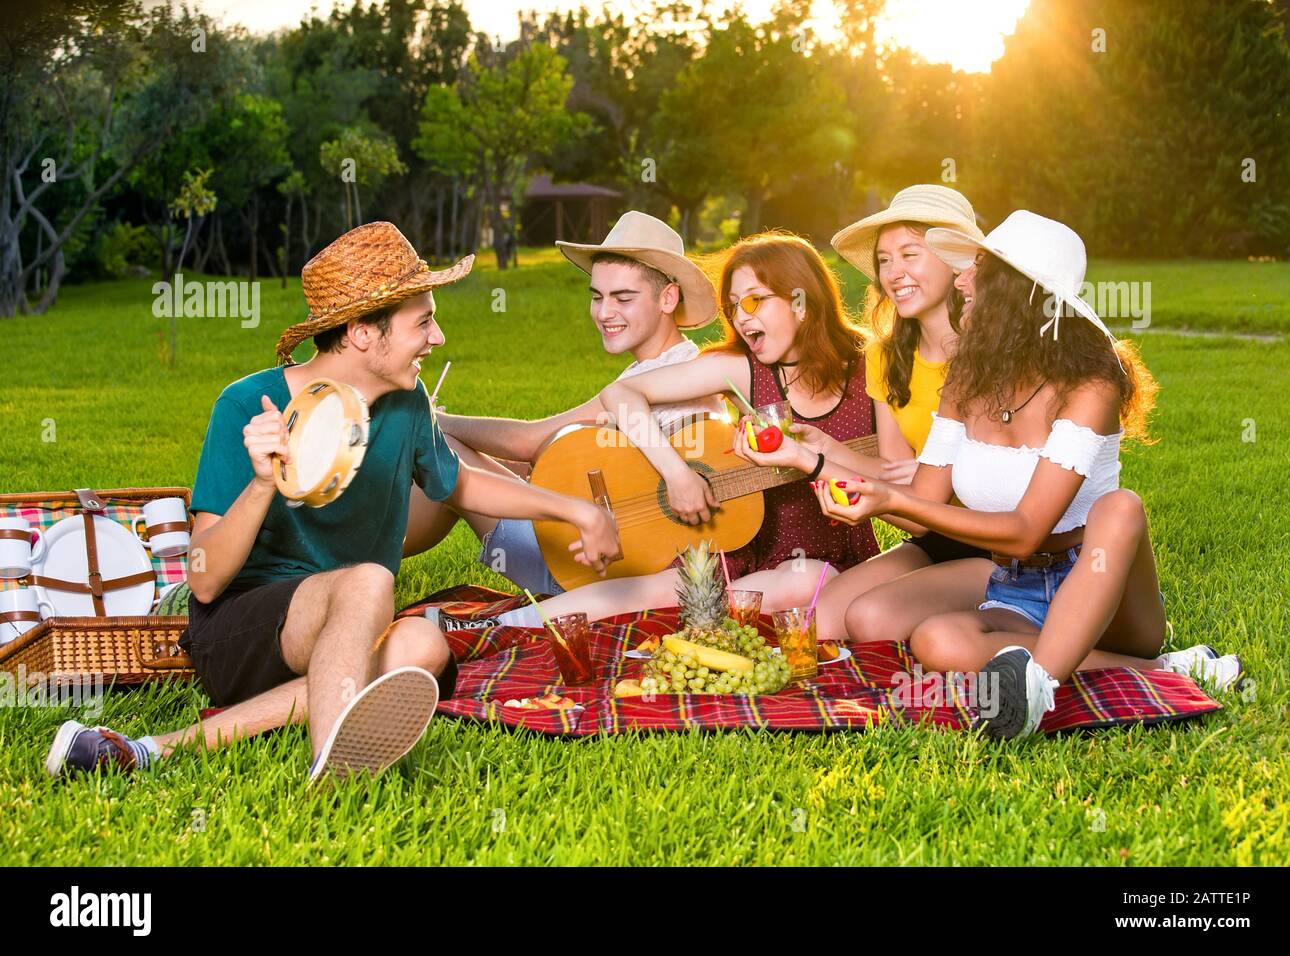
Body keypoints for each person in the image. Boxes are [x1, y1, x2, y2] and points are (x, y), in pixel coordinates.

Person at [45, 221, 619, 781]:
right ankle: (337, 774)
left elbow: (460, 482)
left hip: (344, 633)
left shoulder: (406, 400)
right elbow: (204, 580)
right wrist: (264, 482)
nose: (437, 339)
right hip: (242, 633)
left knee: (422, 642)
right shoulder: (249, 404)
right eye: (424, 324)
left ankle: (153, 750)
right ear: (365, 334)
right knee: (369, 582)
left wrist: (574, 509)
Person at [813, 210, 1244, 739]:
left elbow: (1025, 531)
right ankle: (1167, 670)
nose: (962, 279)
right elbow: (926, 511)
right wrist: (866, 493)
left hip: (1102, 587)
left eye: (977, 269)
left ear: (1018, 293)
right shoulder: (966, 381)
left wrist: (889, 499)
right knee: (935, 641)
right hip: (1016, 588)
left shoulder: (1092, 386)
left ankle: (1037, 687)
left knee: (1120, 506)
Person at [494, 230, 883, 630]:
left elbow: (900, 467)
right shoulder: (742, 369)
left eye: (754, 301)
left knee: (809, 579)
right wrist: (676, 474)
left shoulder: (870, 366)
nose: (742, 317)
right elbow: (621, 392)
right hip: (747, 542)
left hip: (830, 554)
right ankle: (504, 626)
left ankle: (712, 610)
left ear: (801, 301)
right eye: (733, 306)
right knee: (677, 585)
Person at [406, 211, 722, 609]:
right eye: (597, 296)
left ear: (668, 297)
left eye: (623, 298)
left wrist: (431, 418)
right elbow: (557, 456)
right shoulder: (673, 365)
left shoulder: (669, 376)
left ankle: (366, 556)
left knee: (442, 451)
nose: (604, 312)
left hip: (588, 566)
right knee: (448, 454)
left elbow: (528, 441)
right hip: (599, 547)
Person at [759, 185, 997, 642]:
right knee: (823, 621)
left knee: (869, 618)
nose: (894, 273)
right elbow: (893, 471)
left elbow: (921, 496)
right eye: (885, 261)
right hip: (932, 536)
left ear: (957, 261)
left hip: (996, 543)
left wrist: (818, 465)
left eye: (910, 254)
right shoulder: (887, 356)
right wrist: (825, 447)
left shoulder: (989, 356)